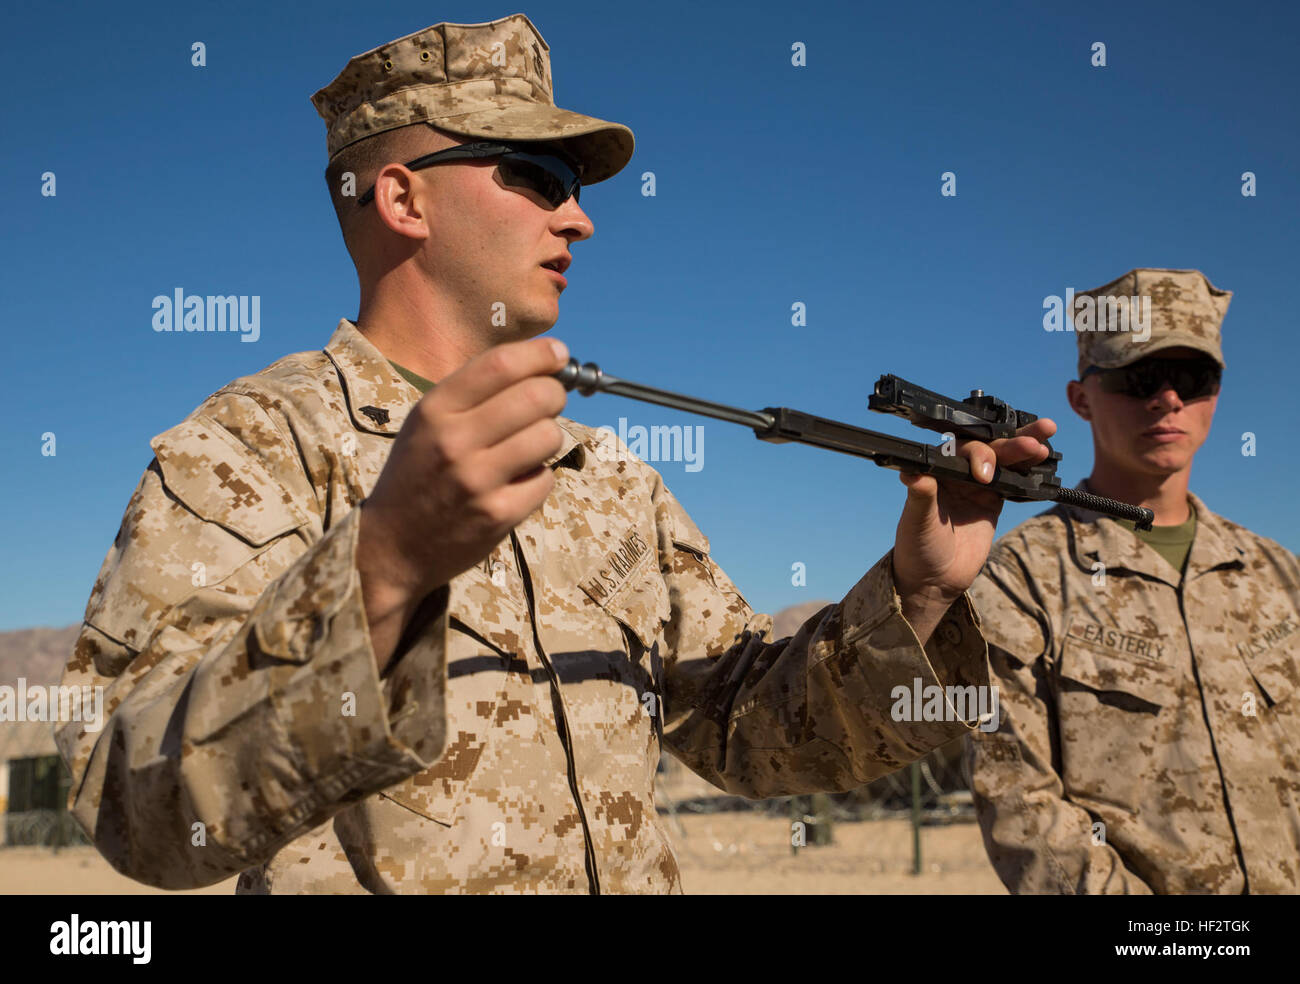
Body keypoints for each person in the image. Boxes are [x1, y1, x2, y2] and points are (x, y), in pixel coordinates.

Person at [57, 14, 1052, 894]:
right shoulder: (247, 449)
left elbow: (750, 731)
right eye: (536, 177)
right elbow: (134, 809)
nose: (578, 215)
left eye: (571, 186)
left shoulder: (606, 476)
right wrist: (383, 566)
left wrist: (915, 593)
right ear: (401, 199)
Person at [967, 267, 1300, 894]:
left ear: (1216, 394)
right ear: (1081, 398)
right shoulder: (1023, 578)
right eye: (1139, 378)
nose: (1168, 399)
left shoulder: (1280, 575)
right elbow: (1022, 806)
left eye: (1194, 379)